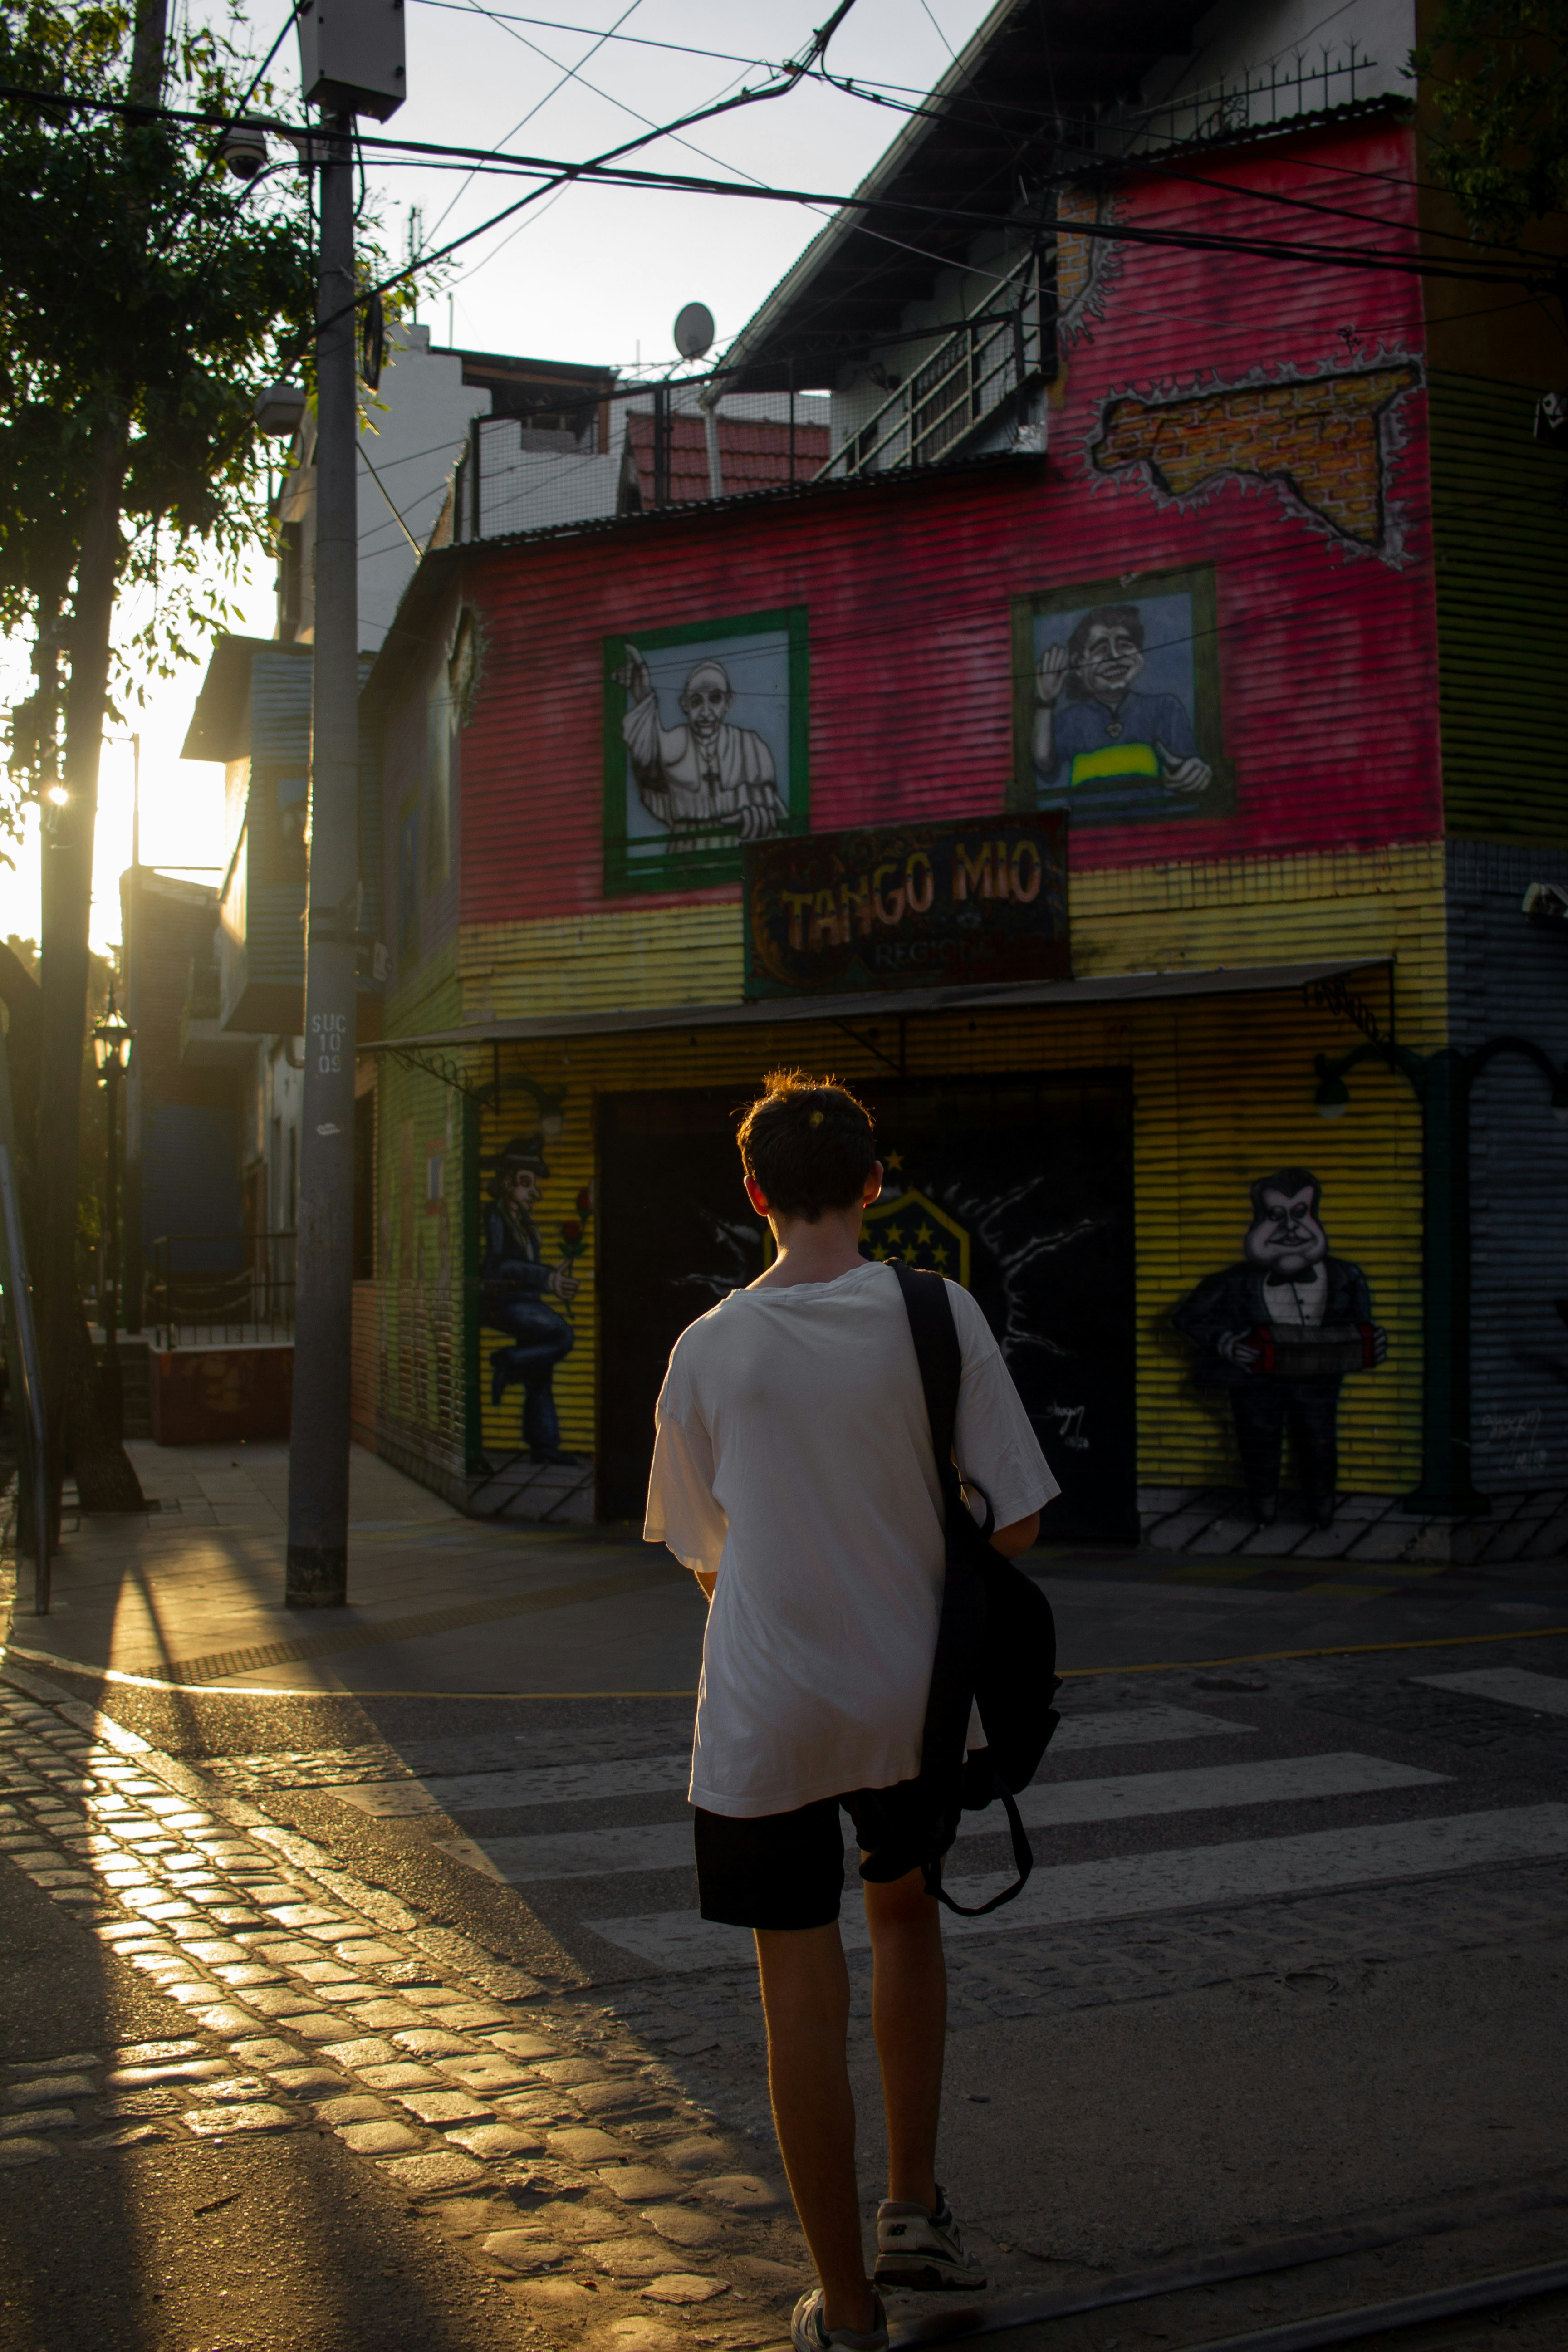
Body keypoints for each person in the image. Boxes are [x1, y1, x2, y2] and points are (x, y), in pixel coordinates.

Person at [644, 1073, 1059, 2352]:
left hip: (768, 1715)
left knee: (796, 1994)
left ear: (757, 1193)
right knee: (906, 1920)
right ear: (876, 1185)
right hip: (913, 1699)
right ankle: (915, 2209)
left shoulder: (708, 1347)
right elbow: (1024, 1518)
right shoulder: (940, 1315)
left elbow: (700, 1544)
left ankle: (848, 2304)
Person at [1171, 1167, 1386, 1528]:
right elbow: (1188, 1317)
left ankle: (1321, 1511)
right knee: (1258, 1446)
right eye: (1276, 1216)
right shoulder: (1234, 1281)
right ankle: (1263, 1512)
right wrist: (1226, 1344)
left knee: (1318, 1446)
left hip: (1319, 1382)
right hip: (1256, 1383)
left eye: (1301, 1214)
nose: (1290, 1227)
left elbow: (1360, 1327)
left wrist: (1371, 1343)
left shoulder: (1347, 1277)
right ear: (1257, 1221)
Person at [1032, 602, 1211, 818]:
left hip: (1150, 829)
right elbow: (1043, 762)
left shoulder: (1164, 708)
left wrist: (1194, 772)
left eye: (1125, 645)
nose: (1115, 657)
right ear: (1079, 665)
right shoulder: (1072, 719)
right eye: (1101, 649)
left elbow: (1185, 764)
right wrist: (1046, 702)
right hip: (1088, 832)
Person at [615, 646, 788, 851]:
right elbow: (648, 754)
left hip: (737, 850)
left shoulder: (751, 747)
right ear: (685, 705)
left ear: (728, 702)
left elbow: (773, 811)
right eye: (697, 701)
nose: (706, 712)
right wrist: (643, 697)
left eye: (715, 699)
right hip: (686, 851)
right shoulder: (678, 741)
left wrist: (758, 815)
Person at [480, 1134, 578, 1463]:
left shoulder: (523, 1221)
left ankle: (544, 1447)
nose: (533, 1192)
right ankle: (508, 1361)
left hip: (524, 1301)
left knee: (540, 1369)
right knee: (562, 1335)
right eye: (525, 1183)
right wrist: (547, 1278)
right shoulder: (494, 1216)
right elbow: (498, 1265)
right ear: (506, 1183)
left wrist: (551, 1281)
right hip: (504, 1303)